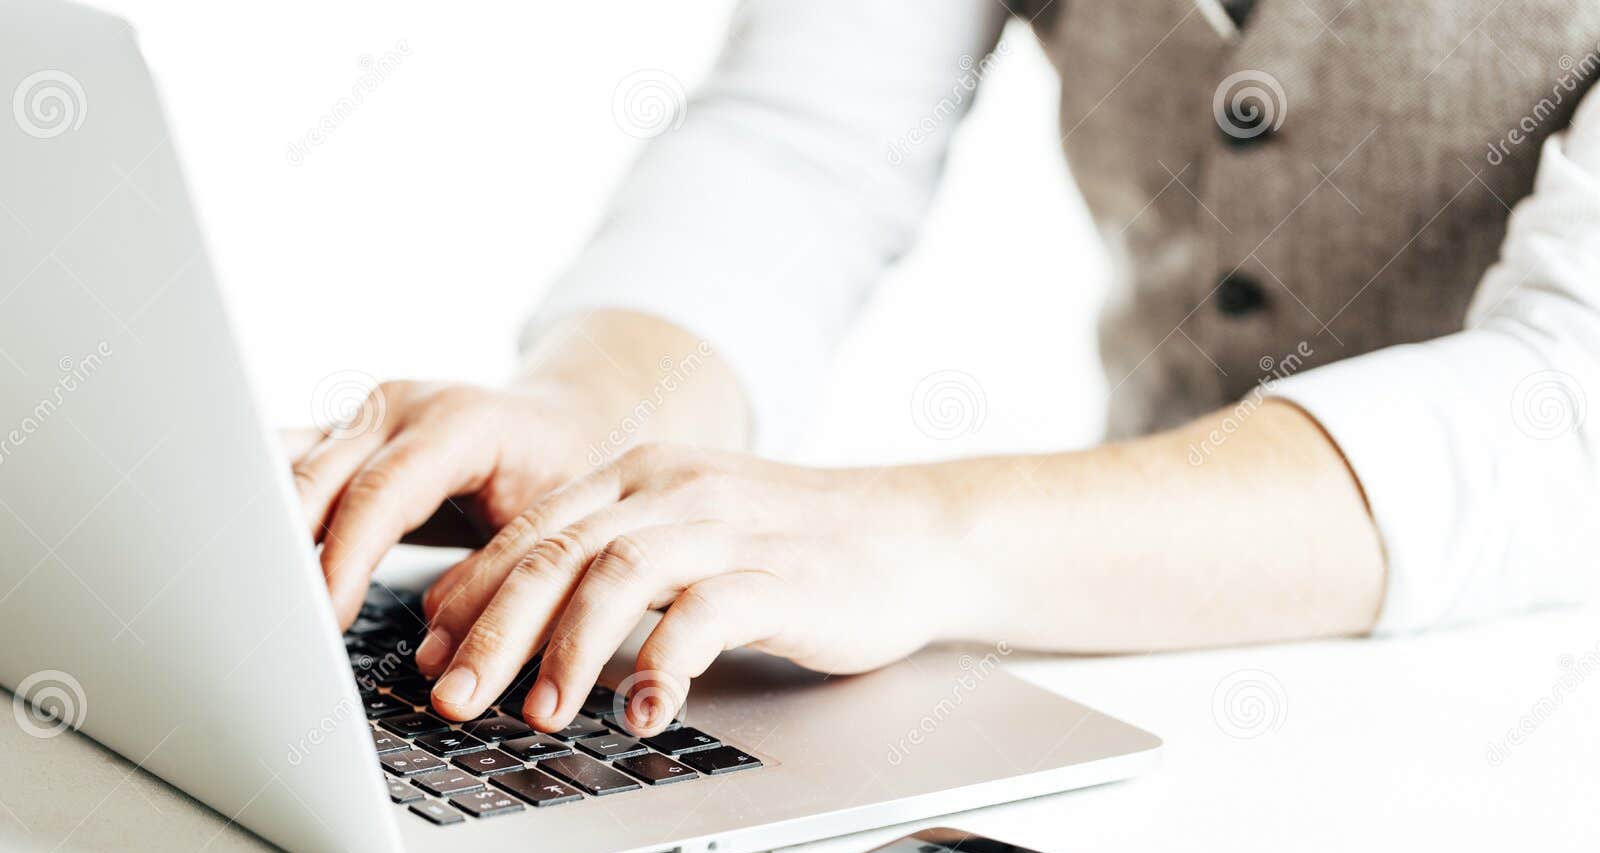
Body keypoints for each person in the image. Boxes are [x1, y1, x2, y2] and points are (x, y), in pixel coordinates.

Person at [288, 0, 1600, 737]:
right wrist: (599, 415)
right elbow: (807, 145)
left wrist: (912, 531)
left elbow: (1564, 404)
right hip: (1131, 674)